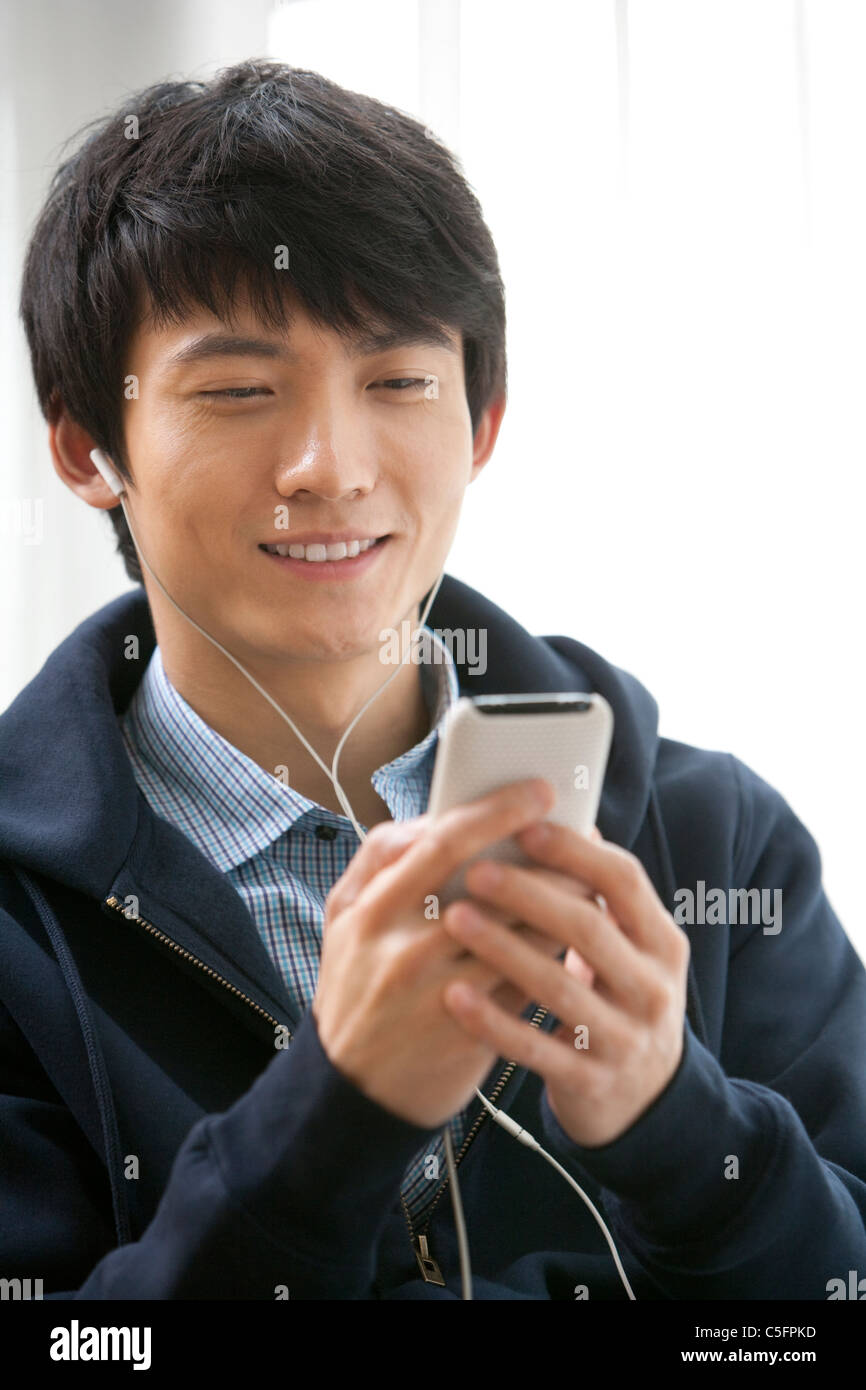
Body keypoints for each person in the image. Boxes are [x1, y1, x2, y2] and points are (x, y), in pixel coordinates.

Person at [2, 58, 864, 1302]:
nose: (329, 466)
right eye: (239, 390)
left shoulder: (715, 839)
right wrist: (329, 1120)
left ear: (482, 421)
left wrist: (685, 1133)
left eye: (399, 381)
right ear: (89, 444)